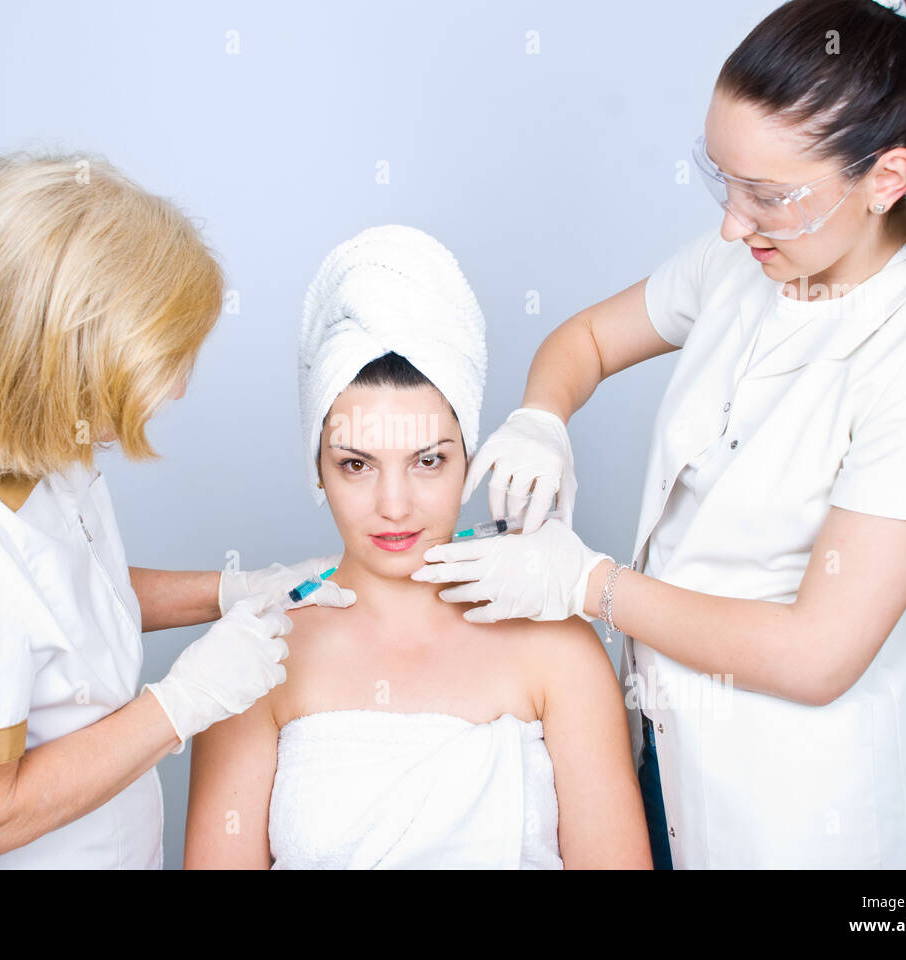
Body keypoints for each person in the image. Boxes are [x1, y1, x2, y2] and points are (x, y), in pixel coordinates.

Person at [414, 0, 906, 868]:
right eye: (723, 180)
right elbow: (584, 341)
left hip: (800, 806)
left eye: (770, 196)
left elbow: (819, 654)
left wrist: (589, 585)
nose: (735, 223)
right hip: (667, 744)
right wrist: (541, 416)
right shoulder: (747, 262)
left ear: (888, 178)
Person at [0, 152, 352, 869]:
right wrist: (181, 704)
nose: (179, 391)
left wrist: (235, 589)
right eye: (163, 361)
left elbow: (66, 598)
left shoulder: (32, 437)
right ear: (63, 351)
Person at [183, 225, 651, 868]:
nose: (394, 505)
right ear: (316, 468)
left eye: (428, 461)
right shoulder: (252, 661)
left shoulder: (556, 648)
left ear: (473, 459)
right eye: (356, 465)